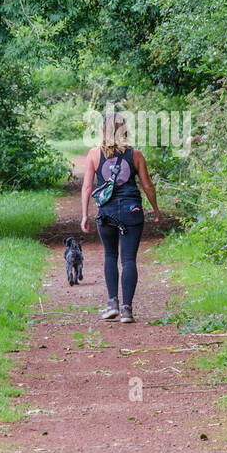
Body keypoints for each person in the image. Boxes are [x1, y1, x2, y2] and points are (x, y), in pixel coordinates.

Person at [79, 112, 161, 322]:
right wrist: (156, 210)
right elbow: (147, 185)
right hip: (131, 211)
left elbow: (88, 186)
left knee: (110, 256)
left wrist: (84, 215)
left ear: (102, 130)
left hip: (106, 212)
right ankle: (127, 310)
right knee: (128, 259)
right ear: (124, 130)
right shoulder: (136, 155)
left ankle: (112, 303)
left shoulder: (94, 154)